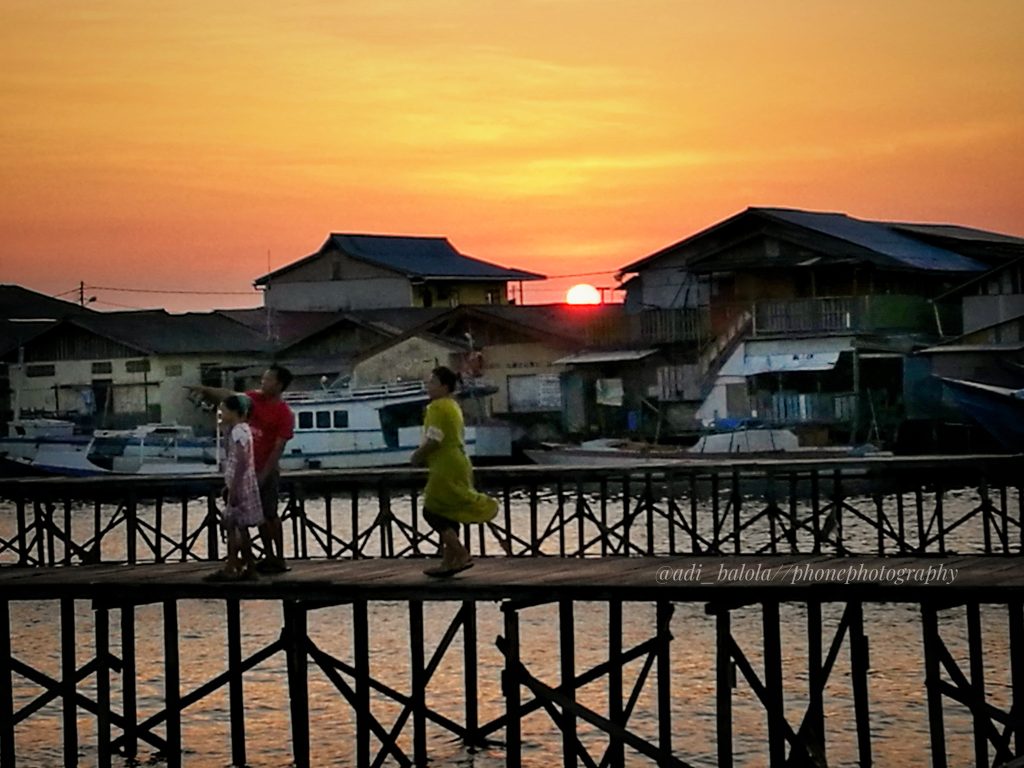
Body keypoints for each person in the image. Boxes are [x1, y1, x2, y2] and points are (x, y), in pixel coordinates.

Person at [189, 364, 294, 573]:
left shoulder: (284, 413)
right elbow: (229, 395)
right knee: (251, 518)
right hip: (246, 472)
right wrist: (206, 389)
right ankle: (263, 558)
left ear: (279, 384)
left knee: (270, 514)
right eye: (263, 379)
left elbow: (278, 448)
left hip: (265, 467)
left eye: (268, 379)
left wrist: (264, 474)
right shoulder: (253, 399)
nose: (263, 382)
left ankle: (278, 558)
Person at [411, 366, 498, 577]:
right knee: (447, 512)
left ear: (443, 386)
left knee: (431, 511)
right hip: (460, 461)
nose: (428, 386)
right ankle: (448, 563)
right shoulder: (453, 405)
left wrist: (417, 456)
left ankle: (461, 554)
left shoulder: (437, 407)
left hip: (445, 464)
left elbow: (434, 439)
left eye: (432, 382)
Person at [204, 394, 261, 582]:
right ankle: (247, 566)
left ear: (234, 412)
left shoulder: (237, 431)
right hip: (244, 481)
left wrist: (233, 488)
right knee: (241, 526)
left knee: (232, 524)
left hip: (240, 483)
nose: (222, 413)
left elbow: (241, 461)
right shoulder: (244, 429)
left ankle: (232, 566)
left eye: (225, 410)